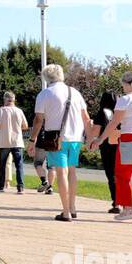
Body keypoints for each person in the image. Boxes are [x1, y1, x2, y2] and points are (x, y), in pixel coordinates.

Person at [89, 70, 132, 223]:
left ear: (127, 84)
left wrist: (100, 139)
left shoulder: (125, 100)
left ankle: (127, 209)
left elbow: (114, 123)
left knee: (122, 175)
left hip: (130, 137)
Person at [27, 64, 92, 222]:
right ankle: (73, 207)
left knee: (61, 172)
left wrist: (32, 140)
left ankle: (65, 212)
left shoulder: (45, 94)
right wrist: (90, 138)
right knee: (72, 171)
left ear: (46, 78)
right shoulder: (75, 92)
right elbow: (86, 117)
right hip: (76, 138)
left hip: (56, 139)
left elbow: (38, 120)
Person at [0, 90, 29, 193]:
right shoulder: (19, 111)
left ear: (5, 99)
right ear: (14, 100)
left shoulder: (1, 110)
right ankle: (20, 187)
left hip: (4, 141)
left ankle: (1, 186)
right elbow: (25, 126)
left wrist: (3, 127)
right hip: (17, 141)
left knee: (2, 164)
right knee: (19, 165)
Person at [91, 90, 120, 214]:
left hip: (107, 146)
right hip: (121, 144)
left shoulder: (102, 112)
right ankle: (124, 201)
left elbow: (96, 131)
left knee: (111, 174)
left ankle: (116, 202)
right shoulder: (120, 112)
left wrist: (92, 141)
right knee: (121, 175)